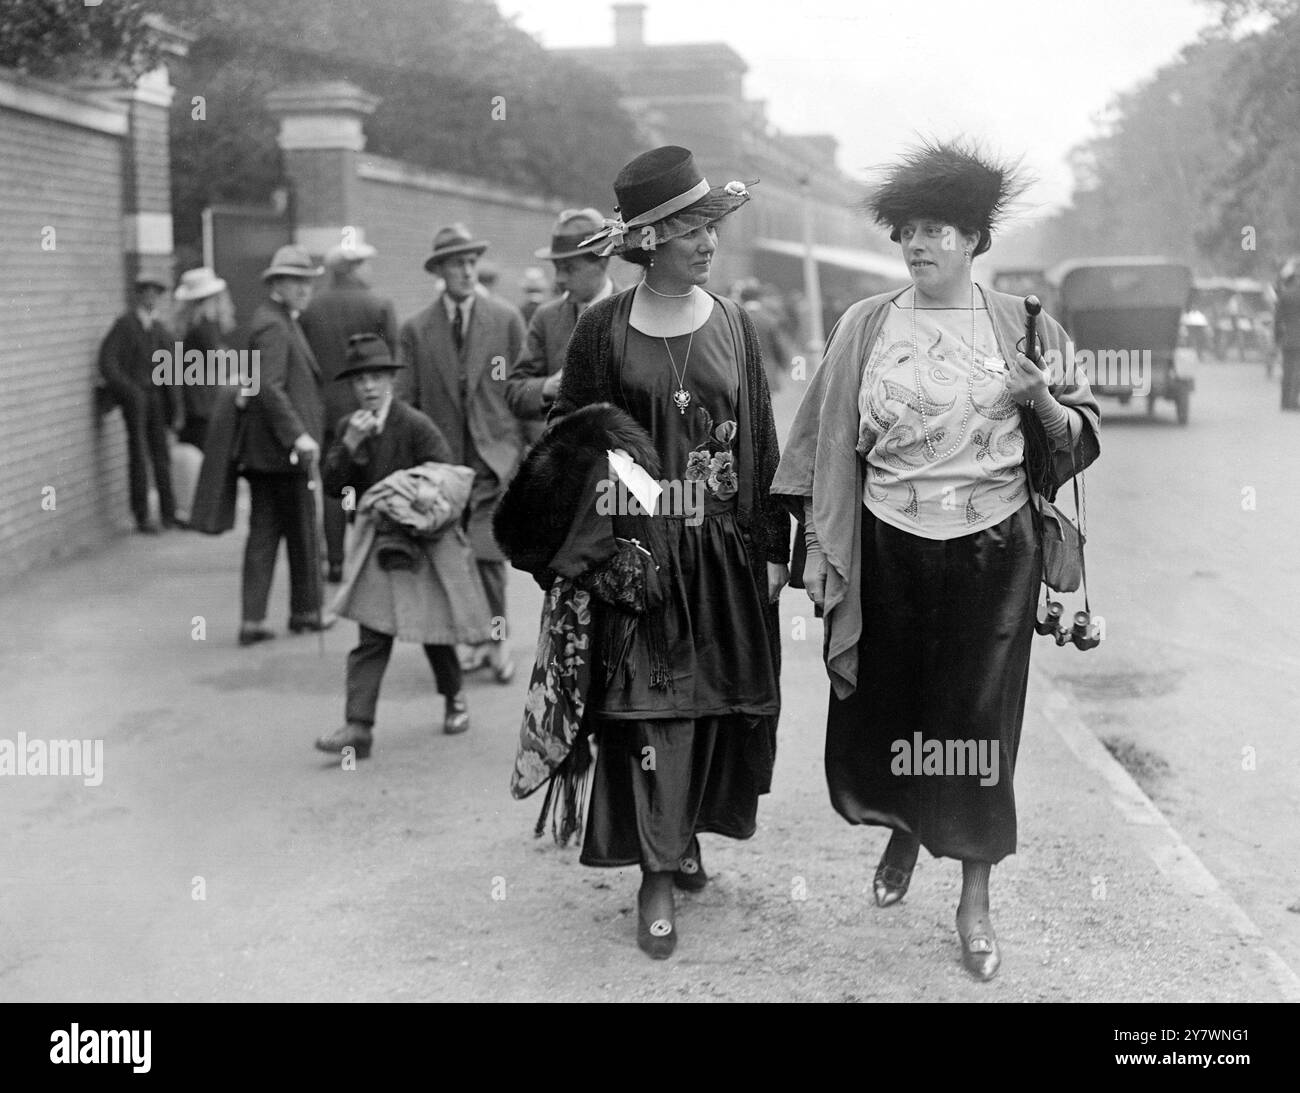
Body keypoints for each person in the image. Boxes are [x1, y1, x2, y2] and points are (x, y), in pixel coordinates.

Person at [772, 139, 1100, 981]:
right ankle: (907, 827)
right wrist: (810, 550)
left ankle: (975, 898)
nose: (920, 246)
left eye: (940, 230)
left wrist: (1040, 402)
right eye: (909, 230)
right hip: (885, 547)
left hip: (994, 554)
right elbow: (815, 448)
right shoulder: (865, 326)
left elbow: (1075, 444)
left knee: (977, 724)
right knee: (895, 710)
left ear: (975, 240)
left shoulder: (1025, 324)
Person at [550, 146, 790, 959]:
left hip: (723, 556)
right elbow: (574, 441)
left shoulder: (734, 325)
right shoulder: (600, 330)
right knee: (651, 714)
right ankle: (654, 875)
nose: (709, 242)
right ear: (650, 240)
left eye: (712, 225)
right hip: (641, 559)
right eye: (692, 228)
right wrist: (624, 519)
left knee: (717, 708)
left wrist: (772, 546)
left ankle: (682, 833)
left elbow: (759, 439)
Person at [315, 334, 492, 758]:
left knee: (432, 629)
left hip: (421, 544)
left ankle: (454, 699)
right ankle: (358, 727)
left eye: (376, 378)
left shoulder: (414, 424)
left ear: (390, 381)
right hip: (377, 544)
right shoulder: (347, 428)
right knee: (372, 635)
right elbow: (333, 489)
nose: (369, 388)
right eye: (360, 381)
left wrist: (418, 496)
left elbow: (447, 475)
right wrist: (349, 448)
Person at [399, 224, 527, 683]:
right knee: (457, 560)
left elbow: (520, 391)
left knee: (490, 560)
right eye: (457, 263)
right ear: (440, 271)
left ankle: (497, 641)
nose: (467, 270)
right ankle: (473, 640)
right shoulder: (416, 329)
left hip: (494, 459)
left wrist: (528, 452)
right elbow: (406, 400)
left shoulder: (506, 319)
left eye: (472, 262)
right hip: (443, 465)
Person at [236, 244, 332, 647]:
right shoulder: (274, 325)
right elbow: (269, 387)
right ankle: (305, 613)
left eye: (309, 282)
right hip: (283, 452)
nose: (306, 289)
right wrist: (299, 435)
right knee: (302, 531)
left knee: (268, 533)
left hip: (268, 454)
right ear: (277, 284)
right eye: (297, 282)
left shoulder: (275, 320)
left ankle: (259, 619)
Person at [300, 239, 399, 582]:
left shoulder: (311, 309)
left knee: (336, 482)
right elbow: (392, 359)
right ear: (355, 267)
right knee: (372, 478)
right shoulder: (379, 304)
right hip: (368, 406)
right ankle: (370, 554)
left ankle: (337, 558)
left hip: (326, 411)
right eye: (366, 264)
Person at [506, 208, 614, 446]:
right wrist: (547, 387)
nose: (559, 279)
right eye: (557, 268)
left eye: (570, 269)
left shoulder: (630, 311)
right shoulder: (546, 318)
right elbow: (514, 391)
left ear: (602, 261)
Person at [97, 274, 183, 533]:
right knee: (138, 453)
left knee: (161, 454)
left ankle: (169, 513)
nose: (151, 298)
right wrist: (129, 390)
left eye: (156, 293)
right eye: (146, 292)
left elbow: (172, 371)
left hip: (156, 399)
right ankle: (142, 515)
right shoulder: (125, 326)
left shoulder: (159, 330)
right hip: (136, 400)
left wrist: (176, 408)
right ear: (138, 296)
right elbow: (108, 362)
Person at [172, 267, 237, 451]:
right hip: (202, 405)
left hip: (194, 403)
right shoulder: (204, 328)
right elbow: (217, 361)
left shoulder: (192, 327)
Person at [1274, 258, 1300, 410]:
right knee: (1298, 372)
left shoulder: (1285, 295)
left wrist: (1277, 339)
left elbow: (1277, 319)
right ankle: (1293, 402)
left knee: (1287, 371)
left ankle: (1284, 403)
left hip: (1288, 340)